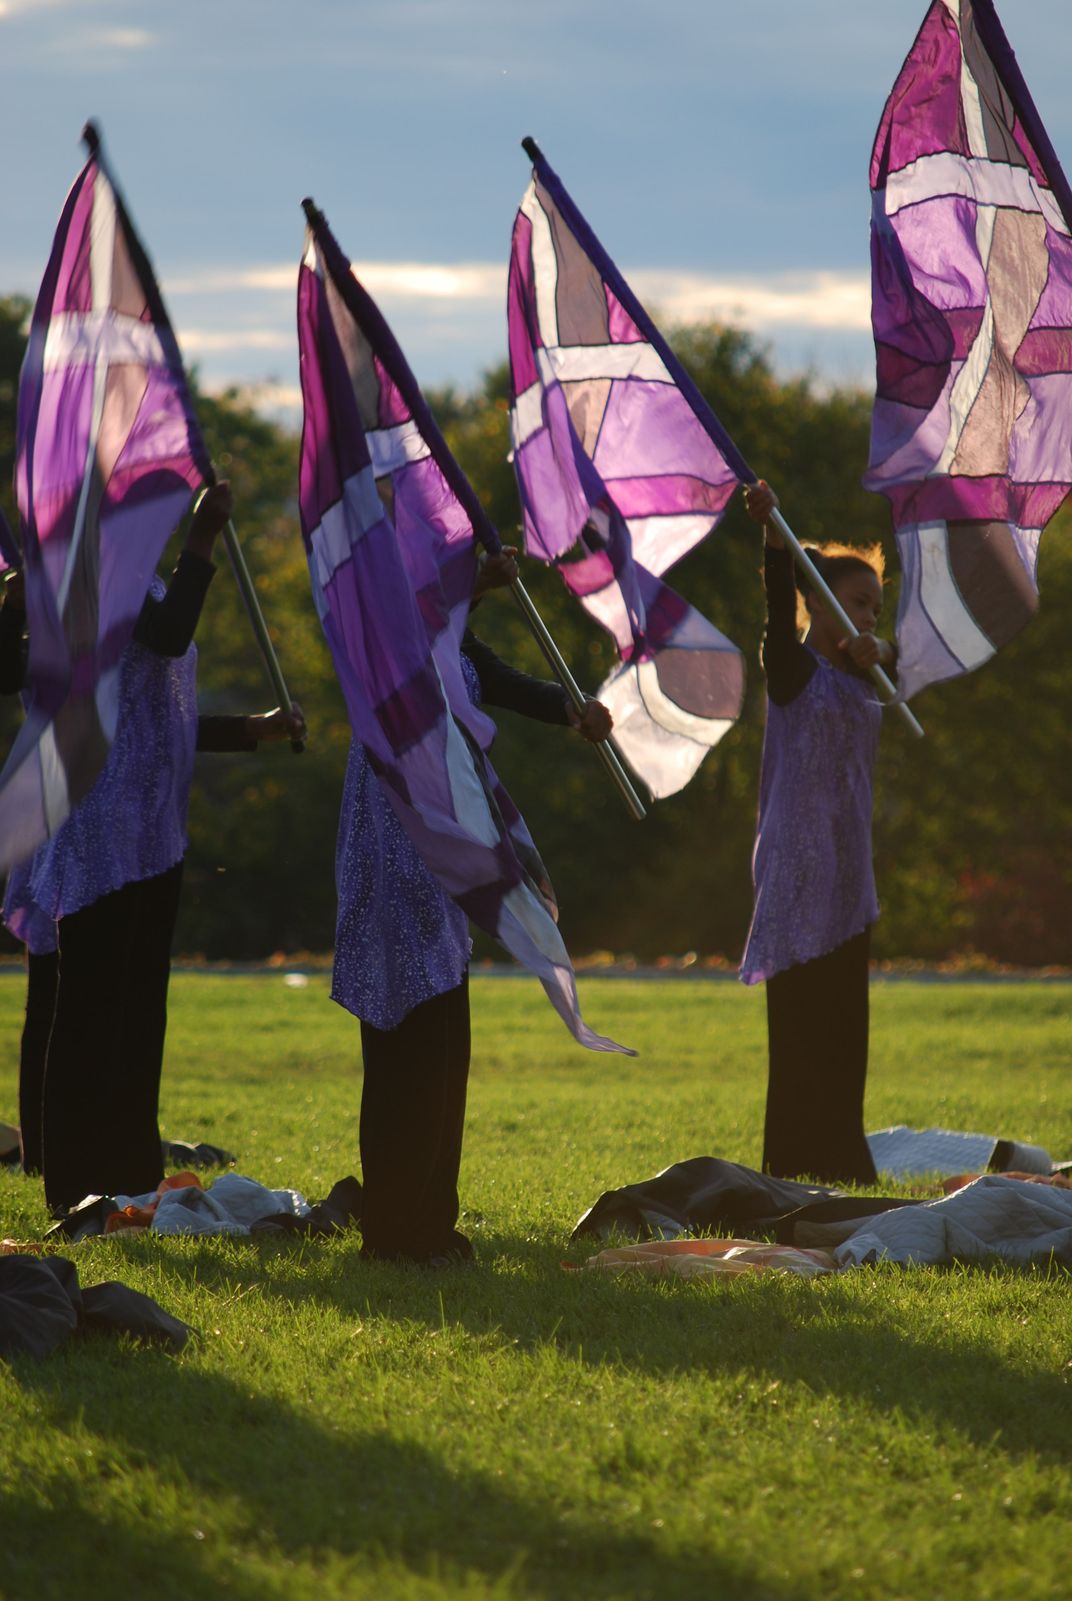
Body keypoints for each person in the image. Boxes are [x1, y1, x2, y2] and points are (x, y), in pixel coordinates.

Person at [1, 483, 305, 1210]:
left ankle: (131, 1168)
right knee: (90, 1009)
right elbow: (167, 635)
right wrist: (202, 542)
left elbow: (156, 714)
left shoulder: (137, 579)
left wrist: (247, 730)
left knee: (139, 1009)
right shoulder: (97, 583)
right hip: (101, 827)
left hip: (151, 829)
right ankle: (76, 1184)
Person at [333, 547, 612, 1267]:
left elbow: (486, 671)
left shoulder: (446, 629)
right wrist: (466, 582)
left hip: (447, 850)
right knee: (407, 1041)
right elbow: (411, 641)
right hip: (397, 845)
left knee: (445, 1044)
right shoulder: (376, 628)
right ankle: (395, 1231)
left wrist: (568, 708)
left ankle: (431, 1221)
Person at [740, 480, 895, 1186]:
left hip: (847, 880)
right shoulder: (795, 675)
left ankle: (843, 1158)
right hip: (800, 880)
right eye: (858, 603)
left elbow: (897, 655)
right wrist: (775, 542)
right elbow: (778, 617)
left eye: (874, 607)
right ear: (824, 607)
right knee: (801, 1033)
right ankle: (794, 1163)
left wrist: (881, 648)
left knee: (845, 1032)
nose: (869, 616)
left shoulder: (866, 684)